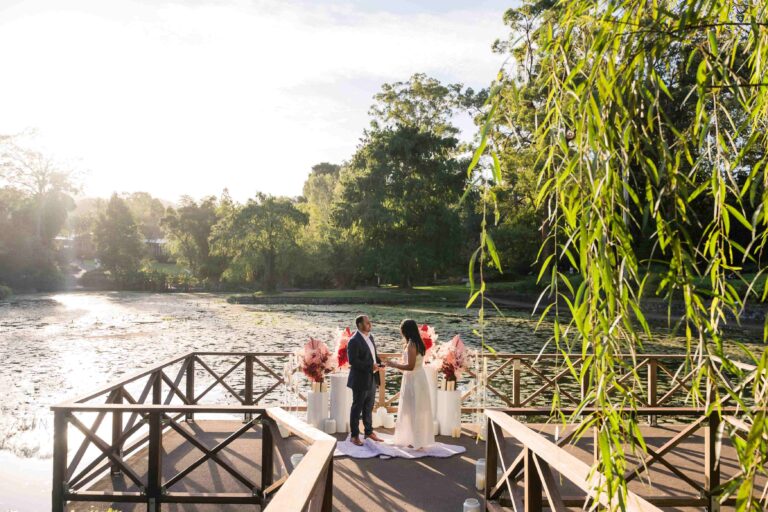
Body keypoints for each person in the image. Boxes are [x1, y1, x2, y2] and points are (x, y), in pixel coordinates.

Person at [385, 319, 434, 449]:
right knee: (413, 408)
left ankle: (416, 440)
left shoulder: (412, 345)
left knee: (414, 408)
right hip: (417, 377)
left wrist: (393, 364)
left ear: (405, 330)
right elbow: (409, 363)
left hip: (414, 380)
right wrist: (398, 363)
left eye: (401, 329)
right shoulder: (417, 342)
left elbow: (410, 366)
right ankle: (414, 438)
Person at [346, 314, 384, 446]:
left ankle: (368, 432)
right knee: (357, 408)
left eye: (369, 322)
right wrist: (370, 366)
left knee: (369, 407)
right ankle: (354, 435)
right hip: (360, 379)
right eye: (367, 323)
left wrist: (379, 363)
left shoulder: (370, 337)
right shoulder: (354, 341)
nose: (370, 324)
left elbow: (373, 356)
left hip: (372, 378)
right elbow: (353, 361)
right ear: (359, 325)